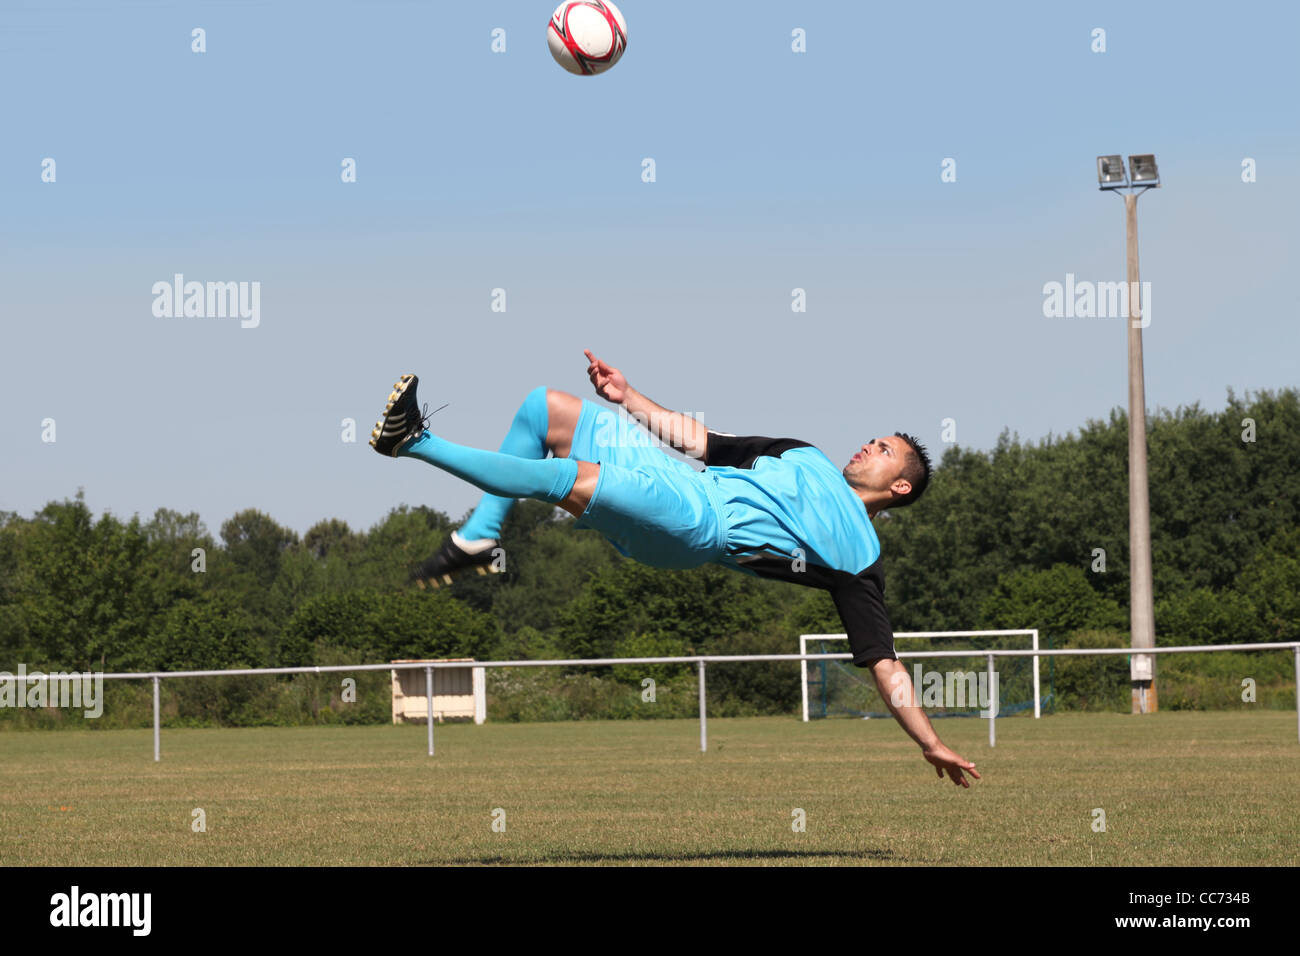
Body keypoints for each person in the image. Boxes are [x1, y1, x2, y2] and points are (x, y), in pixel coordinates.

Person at [369, 350, 981, 787]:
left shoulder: (859, 561)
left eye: (884, 451)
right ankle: (478, 537)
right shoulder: (804, 453)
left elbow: (884, 661)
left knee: (566, 480)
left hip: (697, 526)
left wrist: (929, 742)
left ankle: (413, 441)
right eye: (873, 439)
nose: (868, 446)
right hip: (682, 480)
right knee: (546, 410)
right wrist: (628, 397)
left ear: (899, 486)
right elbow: (703, 441)